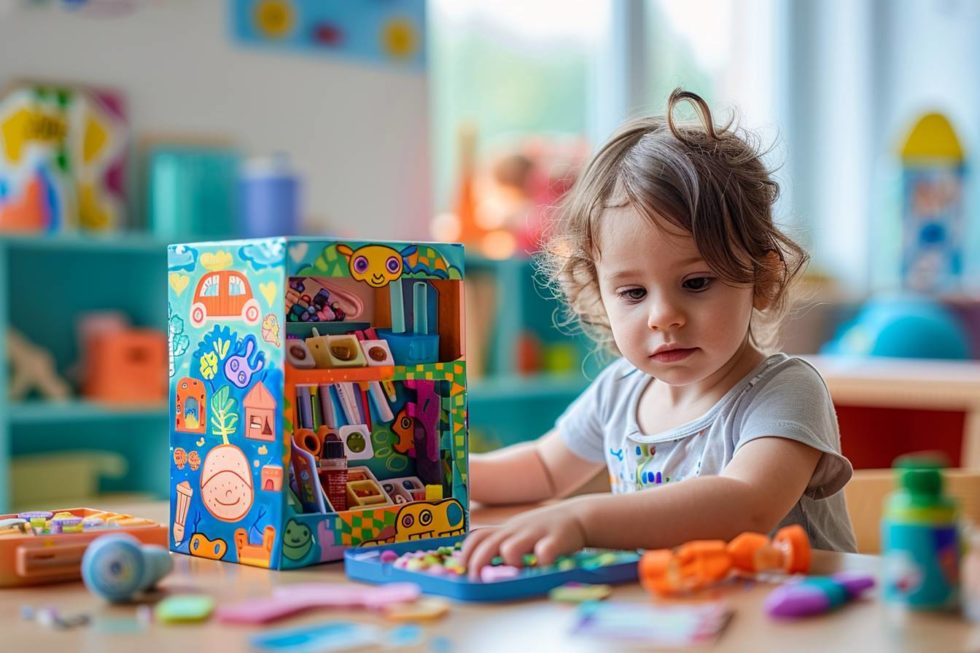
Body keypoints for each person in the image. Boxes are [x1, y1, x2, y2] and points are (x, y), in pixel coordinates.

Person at [461, 89, 857, 578]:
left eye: (696, 283)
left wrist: (583, 518)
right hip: (681, 609)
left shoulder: (786, 391)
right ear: (597, 293)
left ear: (763, 278)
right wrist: (444, 470)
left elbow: (747, 505)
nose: (663, 317)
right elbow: (542, 468)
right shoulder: (619, 392)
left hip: (794, 611)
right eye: (633, 292)